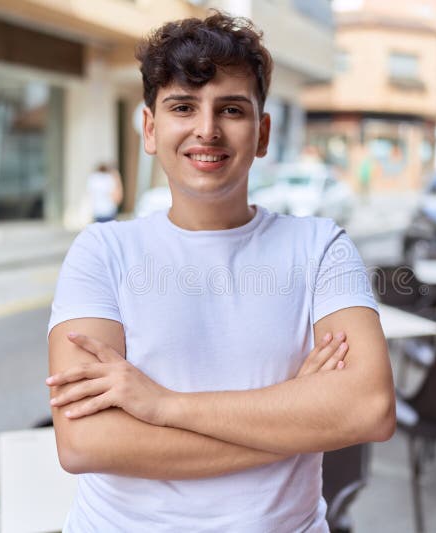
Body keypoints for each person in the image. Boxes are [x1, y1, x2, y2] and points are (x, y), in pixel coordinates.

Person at [45, 11, 395, 532]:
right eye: (182, 107)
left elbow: (368, 408)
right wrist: (294, 419)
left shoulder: (321, 247)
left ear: (262, 133)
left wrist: (162, 406)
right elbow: (85, 442)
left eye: (231, 109)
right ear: (149, 127)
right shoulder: (102, 251)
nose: (206, 130)